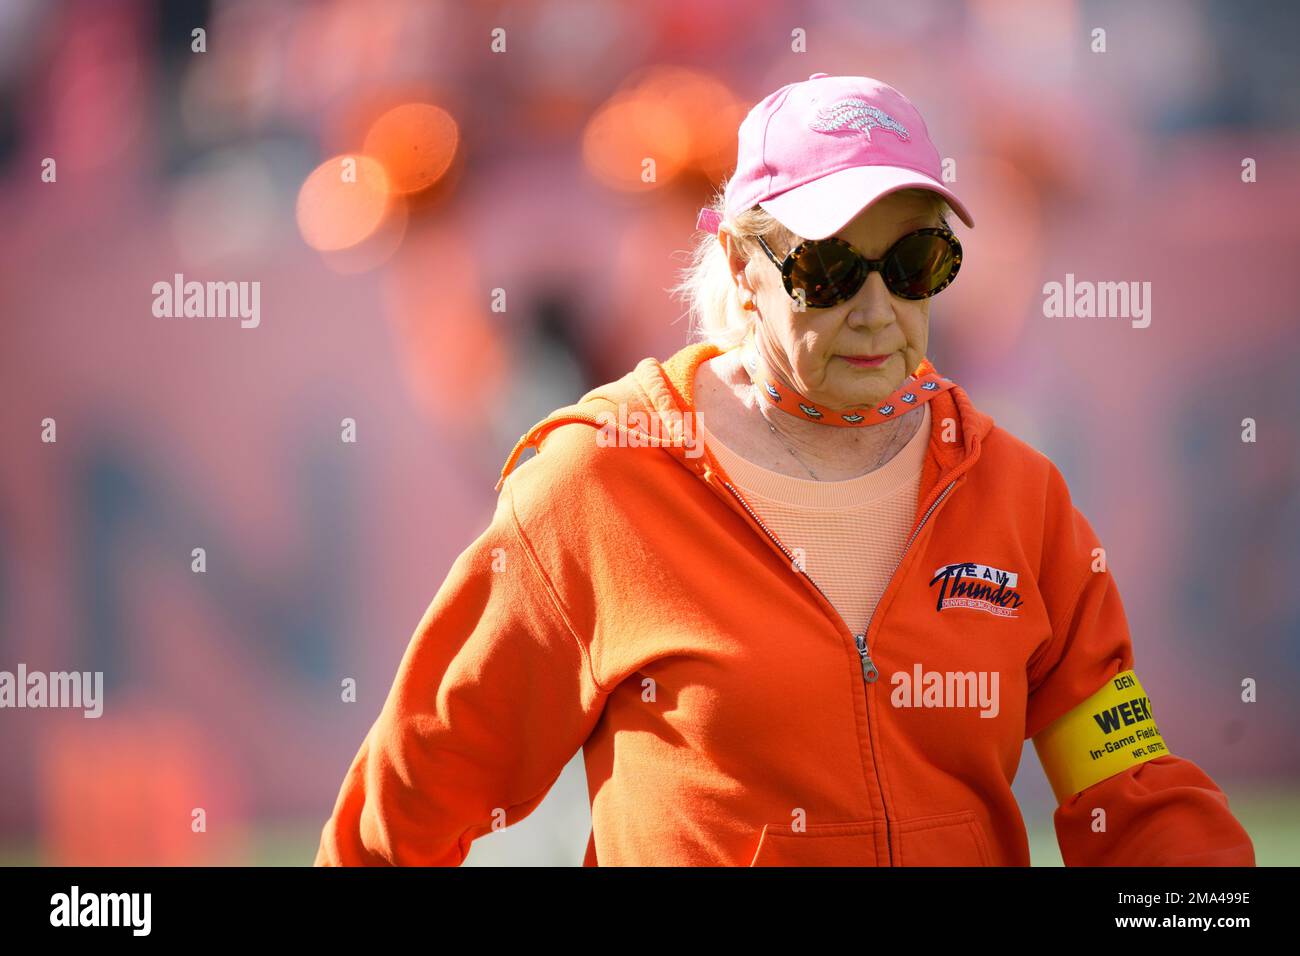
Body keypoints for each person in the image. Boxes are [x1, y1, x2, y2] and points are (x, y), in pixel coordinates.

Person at [315, 74, 1254, 866]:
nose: (877, 309)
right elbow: (406, 806)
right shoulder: (592, 482)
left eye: (916, 259)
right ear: (736, 260)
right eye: (830, 269)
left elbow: (1123, 791)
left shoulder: (1020, 496)